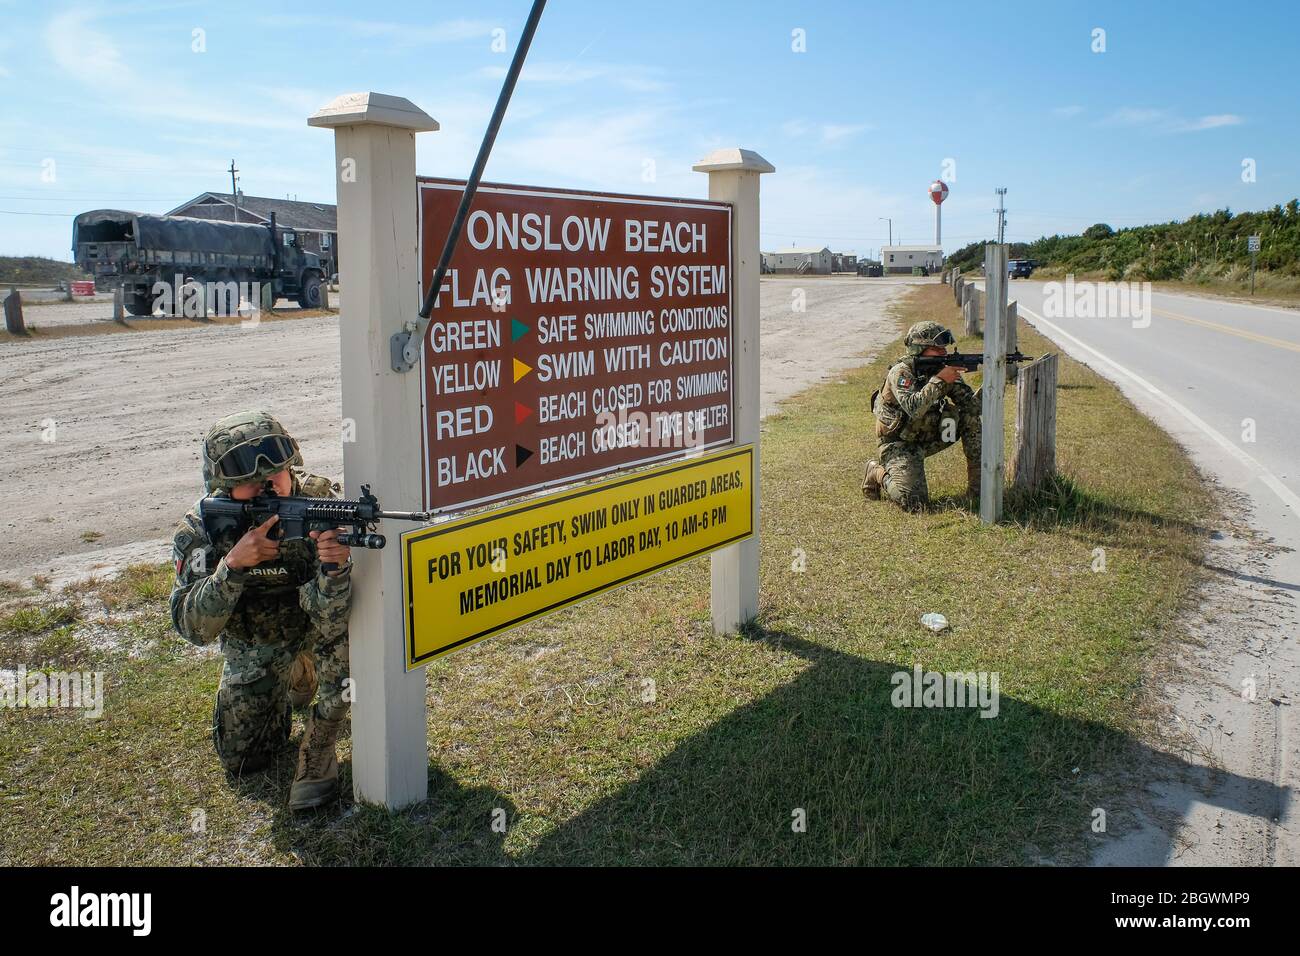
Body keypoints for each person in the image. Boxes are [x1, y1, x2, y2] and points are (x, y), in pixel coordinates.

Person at [169, 410, 352, 810]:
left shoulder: (320, 503)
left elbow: (336, 615)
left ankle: (319, 746)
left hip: (316, 624)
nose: (268, 488)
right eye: (250, 484)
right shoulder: (202, 529)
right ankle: (295, 674)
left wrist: (334, 569)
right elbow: (192, 627)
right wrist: (232, 566)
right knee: (244, 760)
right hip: (258, 642)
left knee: (349, 645)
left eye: (277, 476)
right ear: (222, 489)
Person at [862, 321, 981, 510]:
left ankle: (978, 490)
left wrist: (991, 383)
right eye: (937, 348)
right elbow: (913, 408)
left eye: (944, 348)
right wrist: (940, 380)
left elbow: (972, 407)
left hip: (930, 435)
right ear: (920, 349)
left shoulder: (944, 369)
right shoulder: (901, 372)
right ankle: (876, 472)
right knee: (914, 503)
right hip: (898, 443)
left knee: (970, 419)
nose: (943, 353)